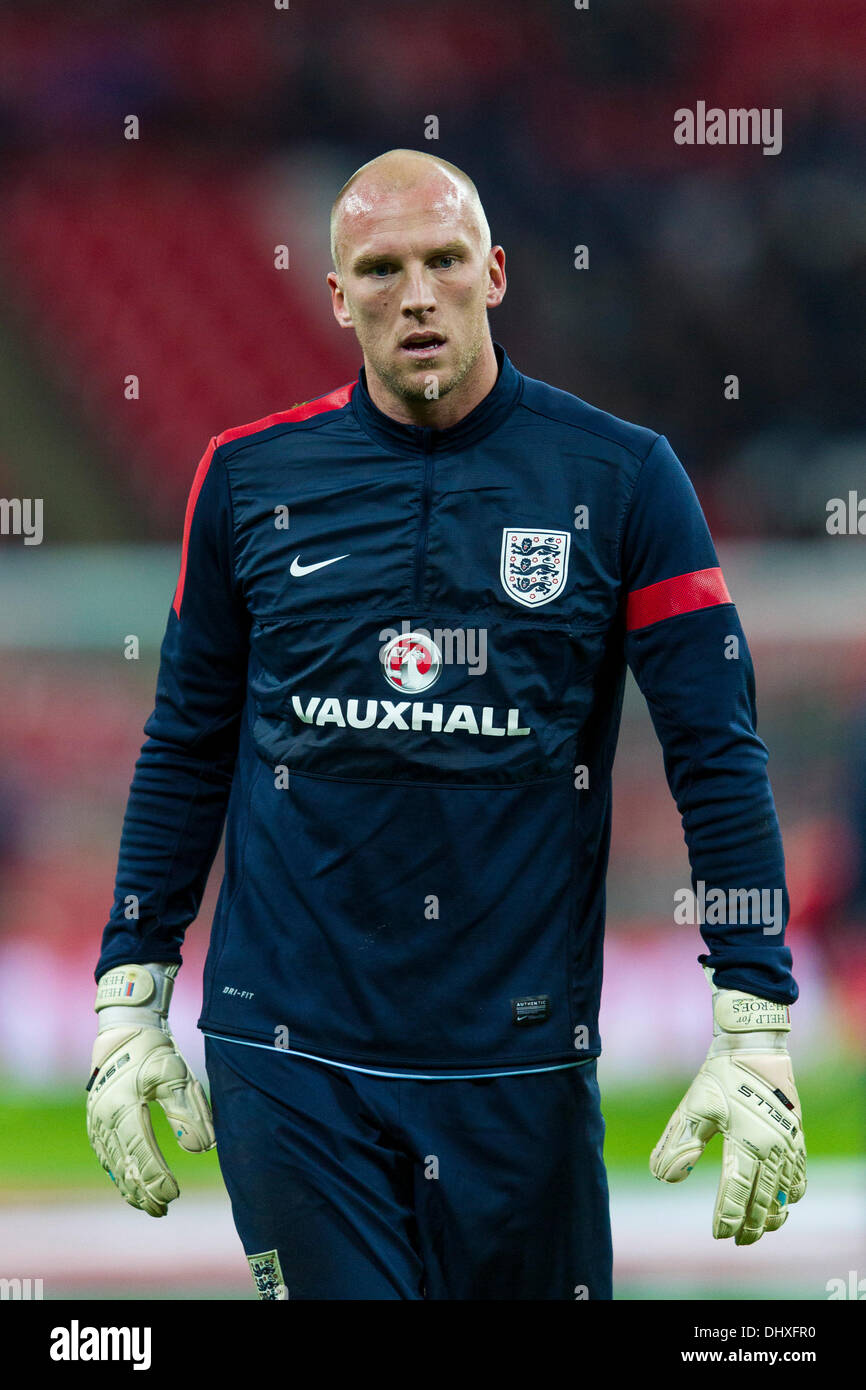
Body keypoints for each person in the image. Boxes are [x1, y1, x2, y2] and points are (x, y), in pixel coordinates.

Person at [86, 148, 806, 1301]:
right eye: (378, 269)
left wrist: (753, 1015)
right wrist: (131, 990)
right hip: (287, 1053)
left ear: (495, 272)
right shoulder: (242, 479)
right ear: (335, 296)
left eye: (441, 260)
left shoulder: (624, 481)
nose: (414, 294)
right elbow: (184, 744)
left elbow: (715, 754)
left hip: (518, 1060)